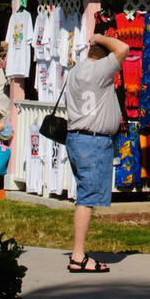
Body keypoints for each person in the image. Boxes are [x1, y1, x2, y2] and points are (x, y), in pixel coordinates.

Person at [63, 30, 130, 273]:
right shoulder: (100, 70)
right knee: (86, 198)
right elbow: (123, 49)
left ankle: (79, 254)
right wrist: (100, 37)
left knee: (85, 195)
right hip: (92, 141)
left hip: (78, 138)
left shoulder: (75, 71)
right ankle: (78, 256)